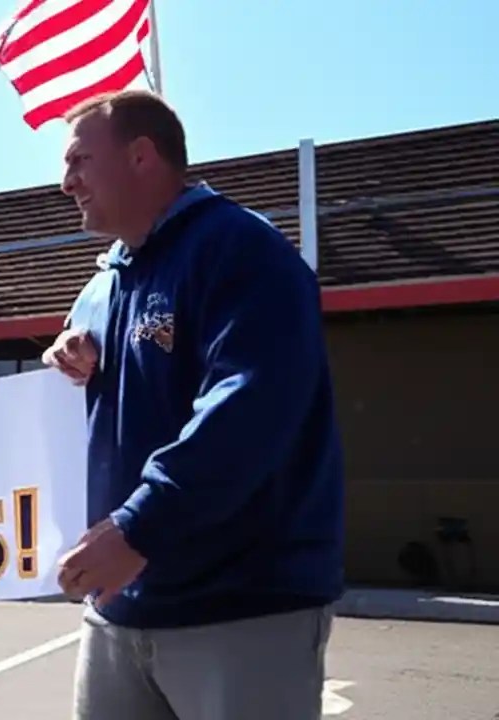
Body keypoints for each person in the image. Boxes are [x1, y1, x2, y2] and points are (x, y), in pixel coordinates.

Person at [43, 89, 345, 719]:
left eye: (78, 161)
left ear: (141, 156)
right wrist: (64, 358)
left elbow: (253, 403)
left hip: (240, 606)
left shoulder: (242, 250)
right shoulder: (100, 287)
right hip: (117, 610)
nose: (65, 183)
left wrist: (141, 524)